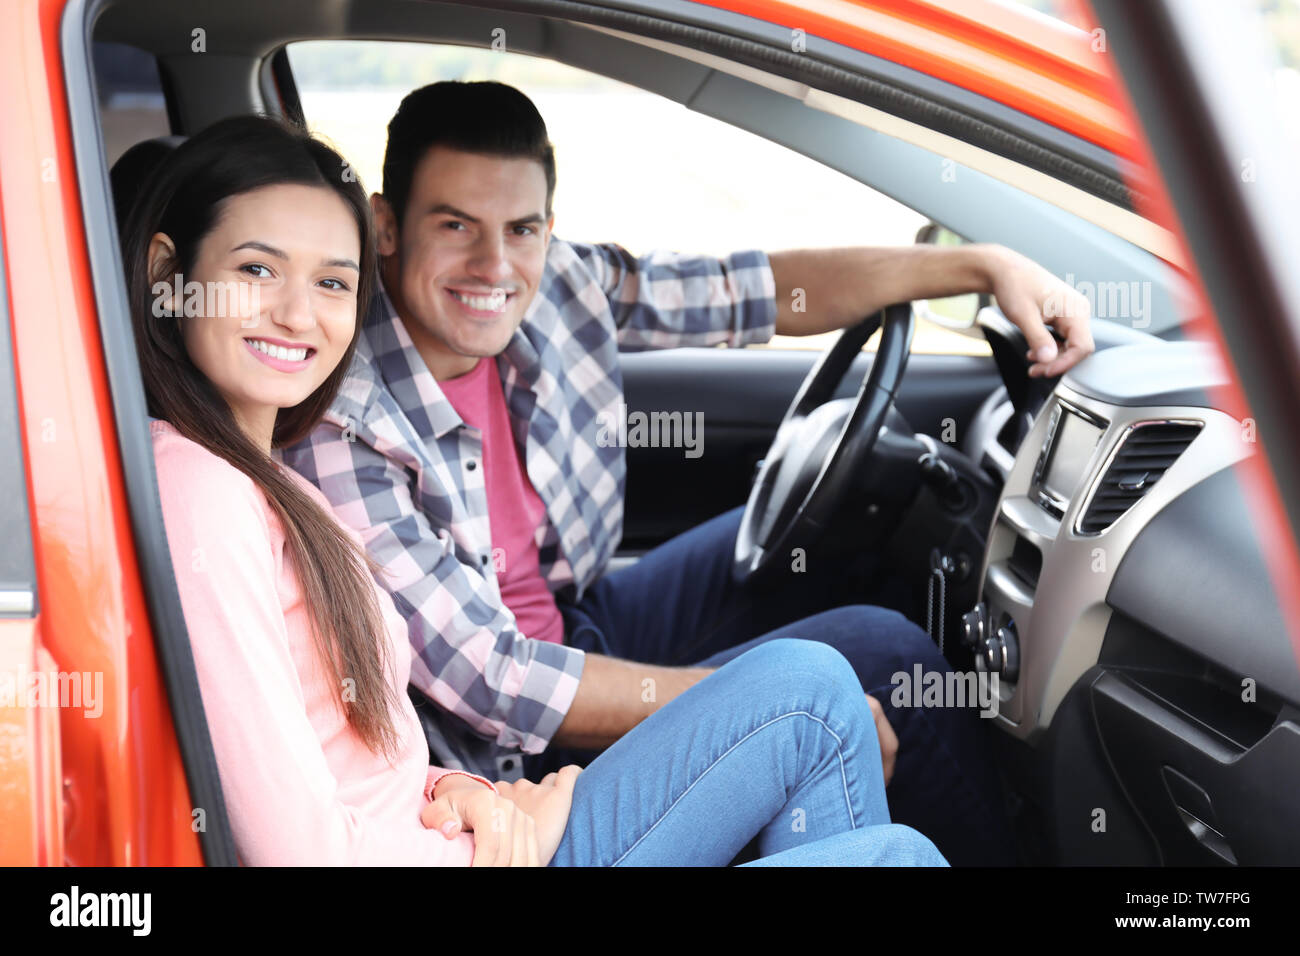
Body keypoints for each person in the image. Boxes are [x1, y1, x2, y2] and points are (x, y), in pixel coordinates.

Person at [283, 81, 1097, 865]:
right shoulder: (346, 423)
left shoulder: (554, 282)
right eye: (456, 226)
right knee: (866, 665)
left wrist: (982, 267)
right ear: (386, 227)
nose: (495, 264)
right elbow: (500, 683)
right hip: (509, 758)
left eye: (522, 229)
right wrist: (741, 708)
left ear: (547, 226)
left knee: (859, 564)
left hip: (573, 618)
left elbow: (757, 291)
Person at [125, 112, 946, 866]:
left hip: (475, 827)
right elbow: (302, 847)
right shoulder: (210, 492)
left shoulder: (259, 473)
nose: (298, 315)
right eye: (258, 270)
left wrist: (469, 798)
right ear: (169, 276)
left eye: (331, 283)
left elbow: (364, 764)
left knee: (814, 683)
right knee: (890, 839)